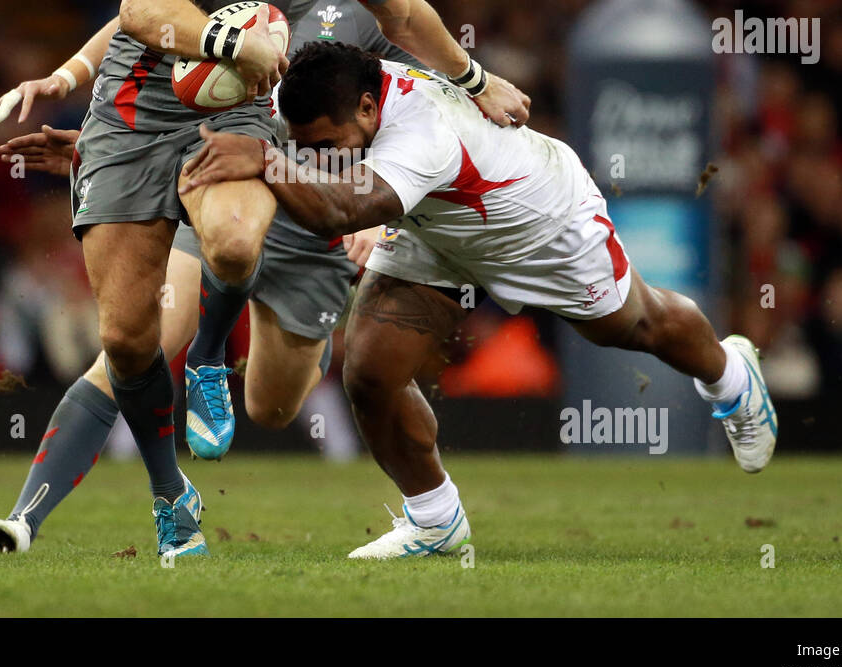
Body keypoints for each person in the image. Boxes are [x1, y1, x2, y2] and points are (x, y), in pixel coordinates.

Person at [0, 0, 528, 560]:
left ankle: (217, 357)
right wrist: (70, 81)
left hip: (313, 209)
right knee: (134, 339)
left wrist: (466, 89)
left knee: (273, 407)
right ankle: (116, 471)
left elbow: (406, 40)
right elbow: (142, 13)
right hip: (227, 140)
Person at [180, 42, 779, 559]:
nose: (321, 155)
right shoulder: (328, 95)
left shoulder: (422, 132)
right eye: (307, 146)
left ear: (369, 107)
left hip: (539, 224)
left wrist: (266, 160)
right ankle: (435, 522)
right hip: (435, 228)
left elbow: (341, 210)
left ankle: (730, 377)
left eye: (330, 143)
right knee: (368, 372)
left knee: (634, 325)